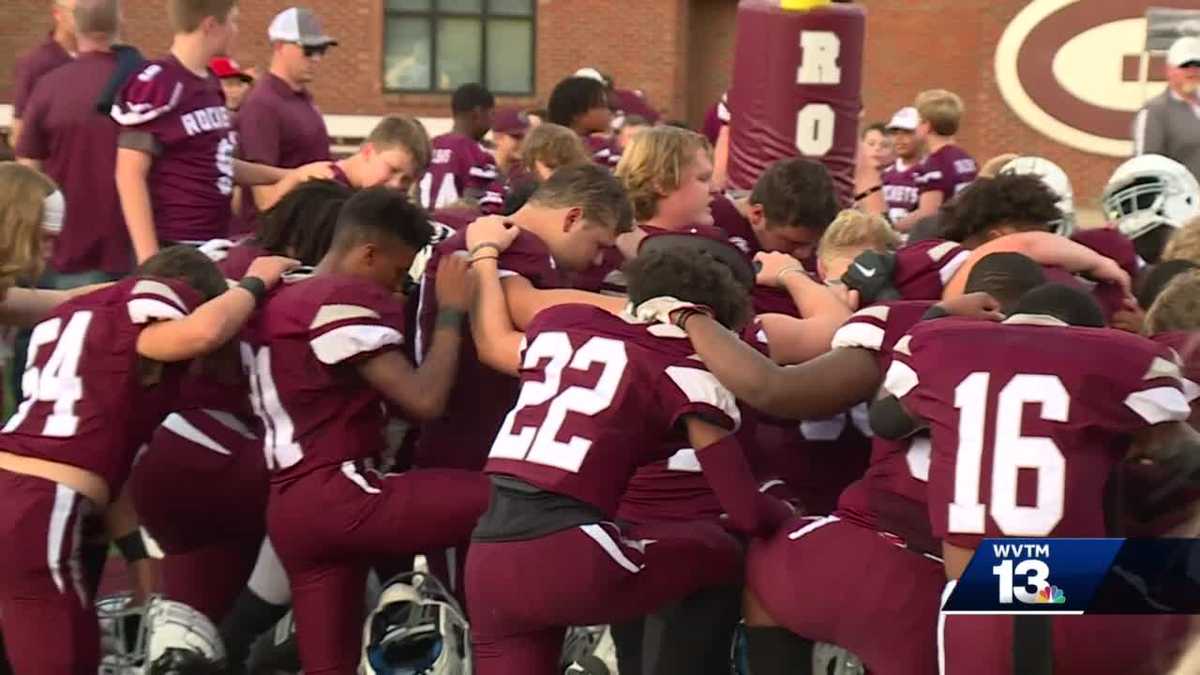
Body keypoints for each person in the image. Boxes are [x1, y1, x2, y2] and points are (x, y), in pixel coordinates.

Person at [464, 235, 790, 675]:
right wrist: (786, 514)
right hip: (573, 552)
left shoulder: (565, 322)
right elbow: (747, 512)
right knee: (724, 550)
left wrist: (484, 256)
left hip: (488, 554)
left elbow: (496, 342)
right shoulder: (684, 360)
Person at [0, 245, 298, 674]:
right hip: (41, 504)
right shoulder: (146, 312)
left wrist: (138, 555)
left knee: (81, 650)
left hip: (32, 493)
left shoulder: (90, 324)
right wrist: (255, 282)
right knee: (57, 658)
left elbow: (102, 467)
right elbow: (204, 331)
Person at [878, 283, 1194, 675]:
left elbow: (884, 420)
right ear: (1088, 332)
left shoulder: (941, 344)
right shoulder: (1120, 357)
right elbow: (1182, 455)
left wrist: (938, 315)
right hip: (1067, 582)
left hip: (971, 585)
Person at [241, 188, 488, 675]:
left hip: (290, 507)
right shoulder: (335, 298)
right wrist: (453, 313)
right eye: (396, 272)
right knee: (515, 501)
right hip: (342, 494)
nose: (397, 289)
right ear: (368, 253)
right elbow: (424, 399)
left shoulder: (282, 295)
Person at [412, 164, 633, 594]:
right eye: (599, 243)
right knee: (472, 608)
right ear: (571, 218)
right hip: (469, 443)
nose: (599, 259)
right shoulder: (513, 245)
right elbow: (526, 308)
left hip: (478, 440)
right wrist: (638, 308)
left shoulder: (514, 244)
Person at [111, 0, 332, 264]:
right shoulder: (159, 83)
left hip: (213, 244)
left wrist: (293, 175)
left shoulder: (210, 83)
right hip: (174, 246)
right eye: (233, 21)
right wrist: (150, 260)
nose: (235, 30)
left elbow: (219, 163)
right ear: (210, 25)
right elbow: (129, 174)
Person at [16, 0, 132, 289]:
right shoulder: (145, 83)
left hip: (67, 244)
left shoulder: (50, 86)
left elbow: (28, 164)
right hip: (132, 244)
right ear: (120, 21)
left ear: (75, 24)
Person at [232, 6, 337, 233]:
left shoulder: (302, 99)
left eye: (321, 50)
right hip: (272, 240)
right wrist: (301, 177)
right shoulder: (263, 104)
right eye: (308, 50)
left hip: (305, 234)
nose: (316, 59)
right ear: (279, 46)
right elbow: (264, 198)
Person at [894, 89, 977, 232]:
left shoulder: (936, 163)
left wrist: (891, 229)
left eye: (918, 121)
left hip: (944, 237)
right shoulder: (966, 159)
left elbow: (927, 215)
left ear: (927, 126)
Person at [10, 0, 76, 149]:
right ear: (57, 13)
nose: (84, 20)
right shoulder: (35, 64)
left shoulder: (101, 60)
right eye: (77, 12)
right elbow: (19, 134)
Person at [421, 83, 497, 209]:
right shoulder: (477, 153)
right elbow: (479, 208)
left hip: (422, 224)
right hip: (454, 225)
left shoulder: (429, 146)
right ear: (477, 113)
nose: (492, 121)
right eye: (491, 114)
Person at [1134, 36, 1200, 181]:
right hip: (1181, 199)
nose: (1192, 71)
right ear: (1169, 70)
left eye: (1197, 65)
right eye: (1185, 66)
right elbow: (1144, 167)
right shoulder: (1154, 111)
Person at [328, 114, 429, 192]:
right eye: (393, 170)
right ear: (367, 151)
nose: (396, 184)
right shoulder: (322, 193)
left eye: (406, 179)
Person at [548, 76, 618, 169]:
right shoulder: (601, 150)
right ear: (576, 114)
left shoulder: (548, 149)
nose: (608, 111)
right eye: (601, 105)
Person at [480, 107, 531, 215]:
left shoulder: (527, 175)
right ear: (497, 137)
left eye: (527, 137)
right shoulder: (480, 169)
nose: (524, 143)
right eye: (517, 137)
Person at [880, 107, 924, 224]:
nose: (899, 138)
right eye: (895, 133)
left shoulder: (930, 173)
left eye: (907, 132)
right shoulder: (883, 175)